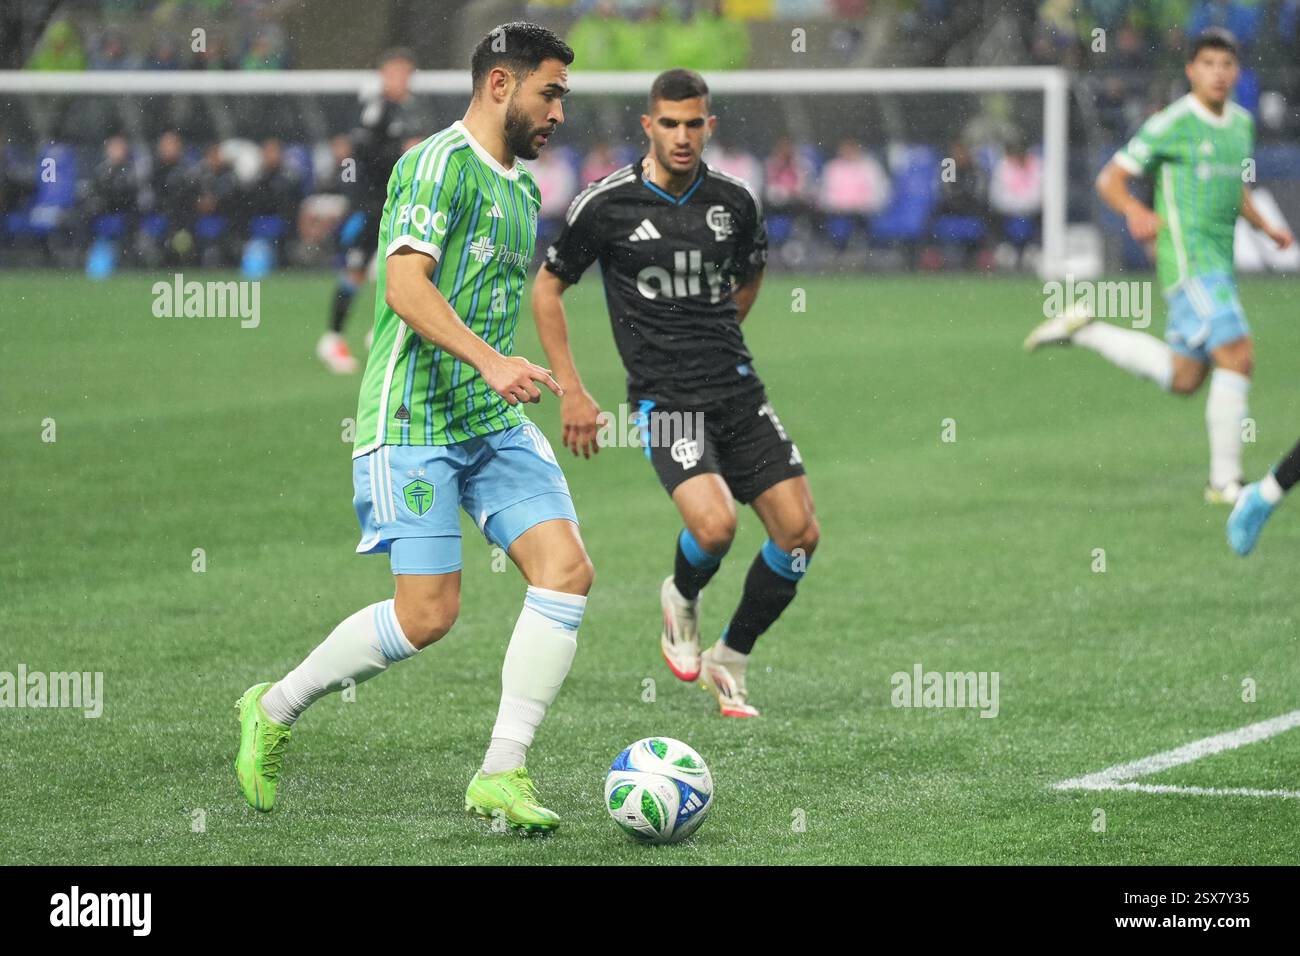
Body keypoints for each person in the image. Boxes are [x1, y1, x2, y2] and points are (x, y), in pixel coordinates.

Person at [235, 23, 588, 835]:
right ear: (501, 84)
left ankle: (501, 771)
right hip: (413, 416)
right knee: (428, 615)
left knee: (565, 570)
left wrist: (537, 374)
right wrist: (491, 361)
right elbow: (403, 288)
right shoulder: (435, 163)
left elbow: (488, 300)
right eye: (551, 92)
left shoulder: (522, 188)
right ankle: (275, 706)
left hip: (488, 416)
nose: (560, 111)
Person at [531, 69, 819, 719]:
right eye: (670, 123)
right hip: (664, 400)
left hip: (737, 389)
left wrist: (711, 332)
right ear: (648, 127)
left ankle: (732, 653)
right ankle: (681, 598)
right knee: (714, 527)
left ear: (708, 126)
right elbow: (547, 289)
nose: (682, 136)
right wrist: (573, 391)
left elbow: (750, 273)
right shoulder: (605, 205)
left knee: (800, 535)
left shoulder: (735, 201)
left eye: (695, 124)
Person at [1024, 29, 1293, 503]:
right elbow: (1112, 179)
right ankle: (1225, 484)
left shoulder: (1241, 125)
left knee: (1186, 378)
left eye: (1226, 65)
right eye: (1207, 64)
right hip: (1186, 262)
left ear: (1237, 72)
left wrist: (1264, 227)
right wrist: (1135, 211)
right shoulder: (1172, 123)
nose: (1217, 73)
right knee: (1238, 352)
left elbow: (1235, 189)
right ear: (1191, 70)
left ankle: (1086, 330)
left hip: (1218, 265)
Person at [318, 48, 427, 373]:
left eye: (406, 72)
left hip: (399, 201)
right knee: (356, 268)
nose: (401, 78)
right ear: (383, 75)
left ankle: (381, 330)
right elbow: (360, 152)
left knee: (407, 266)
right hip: (370, 204)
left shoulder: (413, 109)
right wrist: (398, 149)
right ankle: (333, 337)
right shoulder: (376, 108)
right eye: (395, 72)